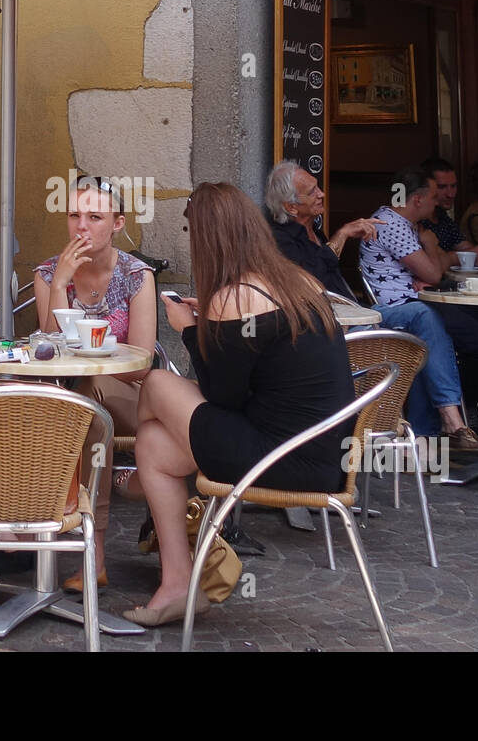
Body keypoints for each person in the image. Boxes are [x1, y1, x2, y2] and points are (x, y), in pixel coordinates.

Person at [122, 183, 355, 627]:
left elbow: (220, 397)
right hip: (321, 453)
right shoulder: (295, 281)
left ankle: (134, 492)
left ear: (207, 239)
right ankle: (176, 584)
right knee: (153, 442)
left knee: (154, 382)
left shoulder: (235, 297)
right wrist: (215, 329)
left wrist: (192, 330)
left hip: (283, 457)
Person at [33, 175, 155, 587]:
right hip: (69, 399)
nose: (80, 226)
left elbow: (141, 361)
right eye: (73, 216)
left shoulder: (138, 276)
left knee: (91, 397)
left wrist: (93, 362)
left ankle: (92, 553)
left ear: (118, 224)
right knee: (83, 406)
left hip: (129, 396)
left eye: (94, 217)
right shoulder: (49, 273)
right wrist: (62, 283)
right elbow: (48, 351)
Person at [359, 167, 478, 451]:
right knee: (433, 320)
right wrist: (431, 244)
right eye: (433, 196)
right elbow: (432, 274)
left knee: (436, 337)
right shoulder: (391, 223)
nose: (437, 202)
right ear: (417, 200)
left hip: (409, 306)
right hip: (391, 310)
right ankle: (452, 419)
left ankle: (425, 438)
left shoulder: (402, 223)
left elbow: (431, 274)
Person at [263, 160, 383, 299]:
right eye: (312, 192)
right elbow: (312, 281)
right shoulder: (280, 239)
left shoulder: (315, 231)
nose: (321, 194)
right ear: (291, 207)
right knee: (414, 312)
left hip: (354, 311)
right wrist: (342, 234)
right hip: (329, 317)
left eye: (317, 187)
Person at [419, 156, 478, 271]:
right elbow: (441, 259)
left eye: (453, 186)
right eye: (442, 187)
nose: (450, 194)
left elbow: (467, 249)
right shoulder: (417, 222)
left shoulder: (443, 218)